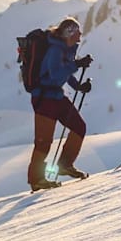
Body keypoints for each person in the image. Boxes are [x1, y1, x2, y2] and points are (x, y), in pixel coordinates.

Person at [28, 17, 94, 191]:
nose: (80, 36)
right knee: (44, 141)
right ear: (69, 33)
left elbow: (65, 74)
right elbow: (57, 76)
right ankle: (36, 180)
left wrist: (78, 86)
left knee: (79, 127)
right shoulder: (55, 50)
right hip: (44, 98)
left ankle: (65, 165)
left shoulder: (66, 49)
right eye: (77, 32)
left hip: (56, 96)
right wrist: (76, 64)